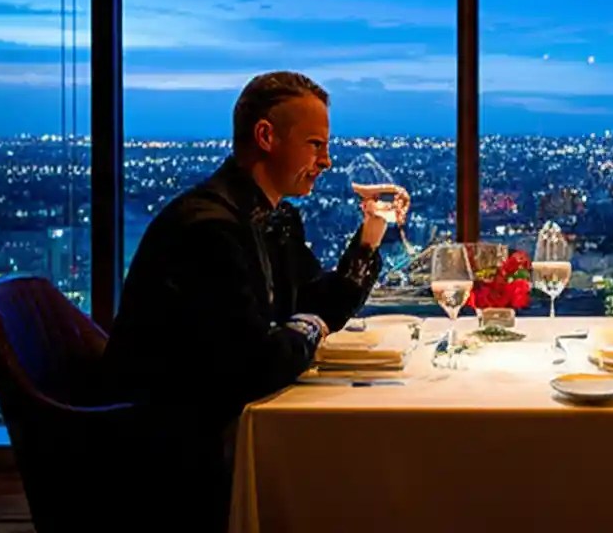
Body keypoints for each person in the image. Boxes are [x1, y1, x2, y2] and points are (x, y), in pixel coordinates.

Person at [101, 71, 406, 530]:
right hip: (172, 455)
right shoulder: (209, 229)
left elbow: (318, 300)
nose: (326, 161)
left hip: (205, 428)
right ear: (266, 136)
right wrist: (310, 327)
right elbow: (253, 365)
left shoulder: (269, 217)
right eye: (315, 145)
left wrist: (371, 233)